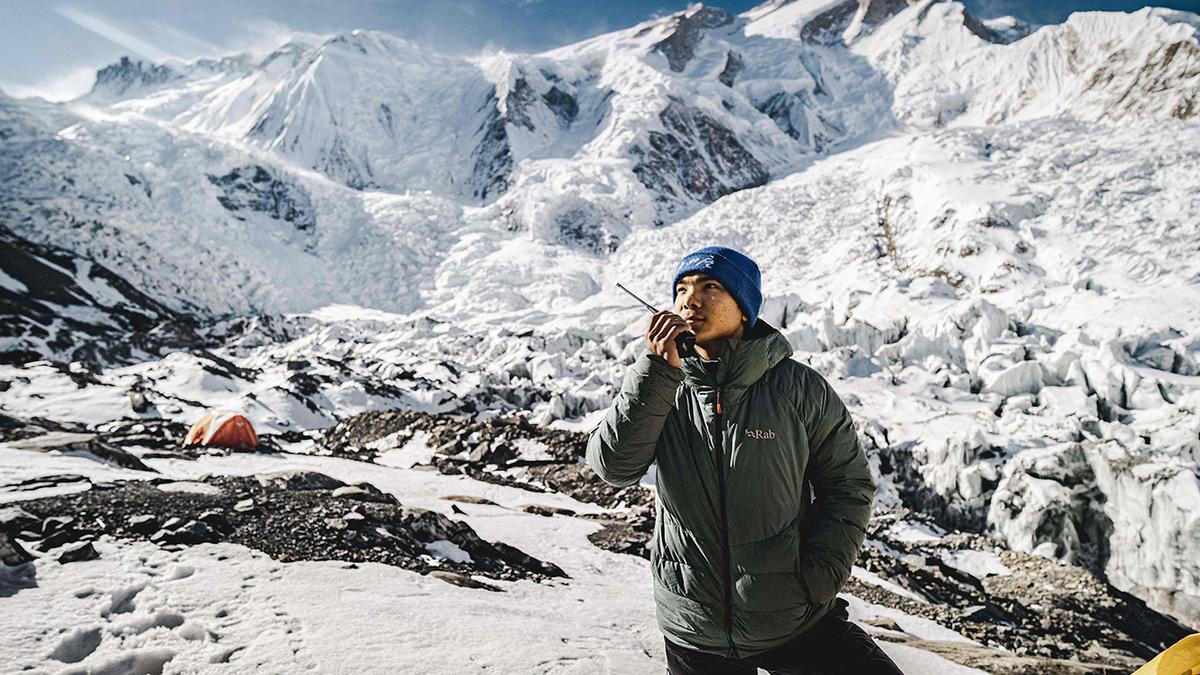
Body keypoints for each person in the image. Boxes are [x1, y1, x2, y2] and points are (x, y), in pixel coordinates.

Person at [587, 246, 903, 674]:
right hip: (693, 629)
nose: (689, 300)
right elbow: (613, 468)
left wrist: (819, 576)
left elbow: (847, 484)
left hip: (793, 617)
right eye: (681, 289)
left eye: (709, 287)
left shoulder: (798, 388)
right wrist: (657, 371)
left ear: (744, 308)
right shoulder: (662, 387)